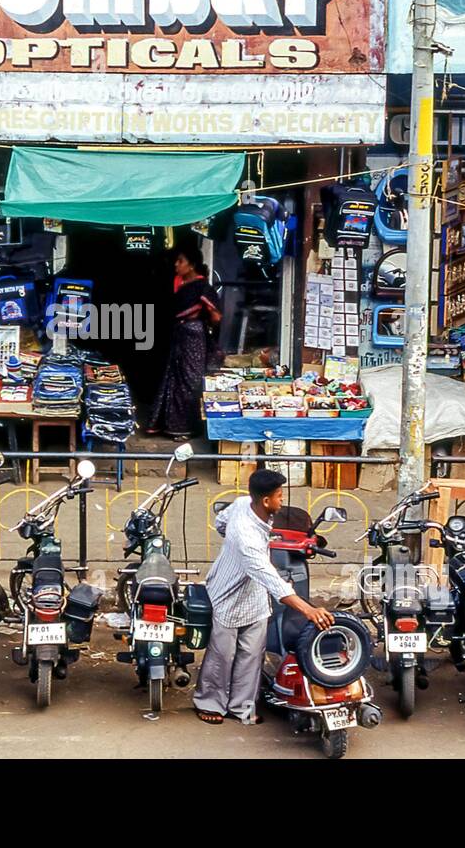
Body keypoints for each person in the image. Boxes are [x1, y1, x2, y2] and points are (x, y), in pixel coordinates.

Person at [194, 469, 334, 725]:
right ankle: (210, 702)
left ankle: (242, 706)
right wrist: (309, 610)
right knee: (222, 655)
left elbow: (220, 523)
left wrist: (230, 545)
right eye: (279, 497)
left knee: (252, 654)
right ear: (266, 501)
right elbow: (271, 579)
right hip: (228, 595)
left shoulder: (242, 504)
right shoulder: (245, 538)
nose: (282, 502)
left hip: (255, 596)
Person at [148, 247, 220, 440]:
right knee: (174, 380)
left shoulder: (202, 287)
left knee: (191, 381)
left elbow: (216, 316)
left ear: (192, 265)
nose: (176, 265)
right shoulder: (178, 284)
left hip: (193, 337)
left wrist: (200, 322)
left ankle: (188, 427)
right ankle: (173, 427)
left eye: (180, 261)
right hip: (179, 334)